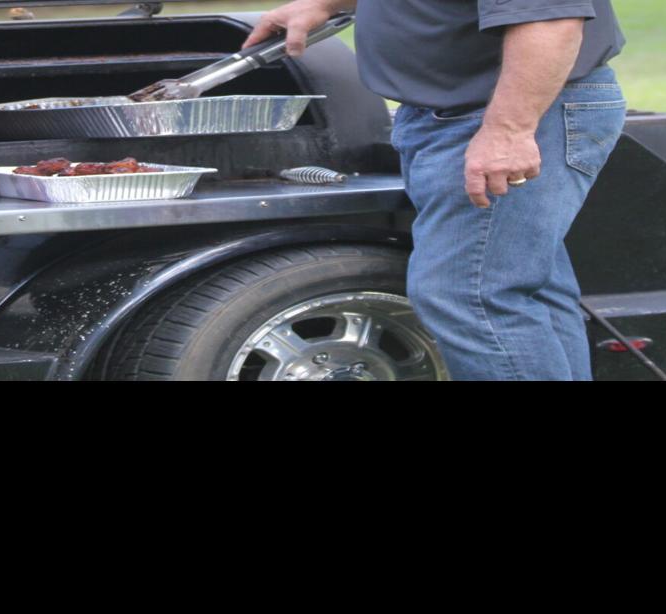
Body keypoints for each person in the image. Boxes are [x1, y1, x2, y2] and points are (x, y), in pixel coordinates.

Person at [245, 0, 627, 381]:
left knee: (469, 295)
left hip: (505, 112)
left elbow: (551, 19)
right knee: (524, 291)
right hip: (460, 113)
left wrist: (508, 131)